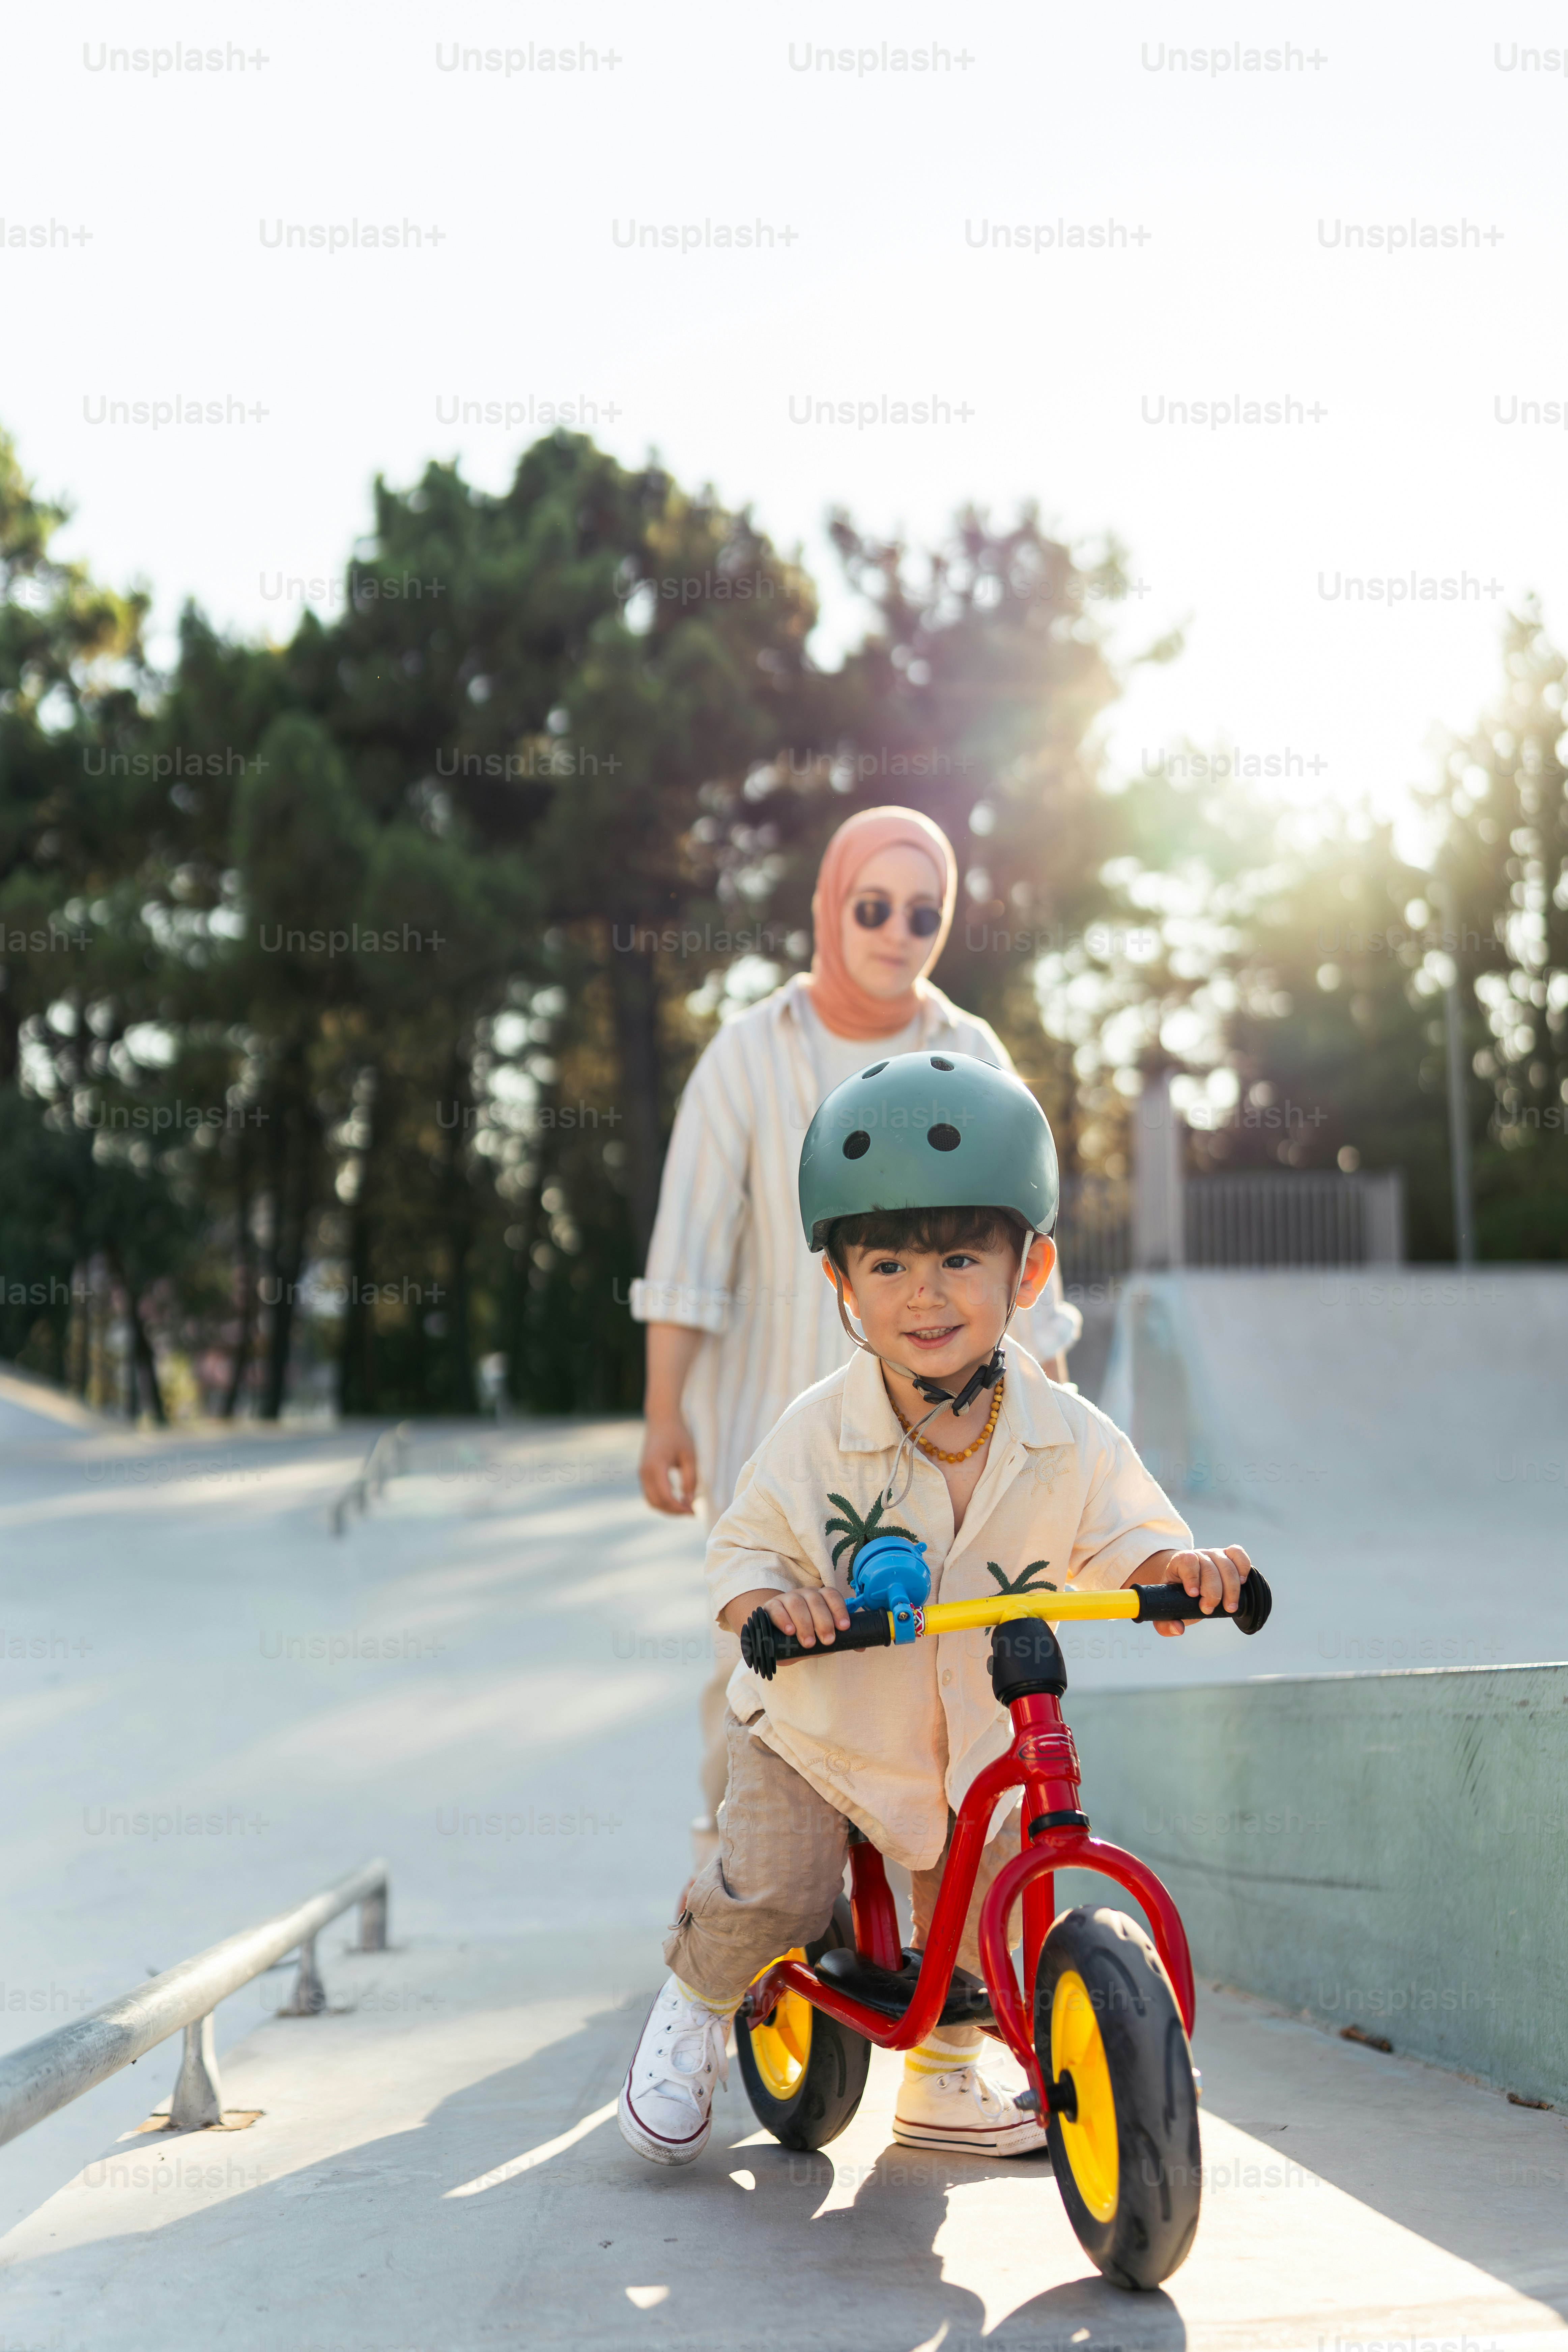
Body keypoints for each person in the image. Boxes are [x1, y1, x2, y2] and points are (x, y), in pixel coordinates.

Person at [618, 1050, 1255, 2165]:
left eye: (962, 1258)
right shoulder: (817, 1429)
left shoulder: (1065, 1431)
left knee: (992, 1904)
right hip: (824, 1731)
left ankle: (946, 2080)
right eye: (889, 1264)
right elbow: (740, 1551)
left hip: (976, 1734)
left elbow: (1127, 1532)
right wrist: (776, 1601)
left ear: (1029, 1267)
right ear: (840, 1285)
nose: (926, 1294)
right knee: (778, 1885)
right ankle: (694, 2003)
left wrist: (1180, 1572)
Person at [632, 805, 1082, 1848]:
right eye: (873, 906)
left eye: (922, 913)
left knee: (943, 1676)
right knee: (761, 1677)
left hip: (949, 1444)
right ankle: (743, 1904)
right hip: (775, 1439)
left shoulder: (969, 1048)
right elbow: (689, 1252)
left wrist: (1056, 1424)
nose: (896, 929)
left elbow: (1025, 1257)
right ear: (831, 907)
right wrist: (664, 1415)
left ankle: (928, 1923)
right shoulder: (748, 1054)